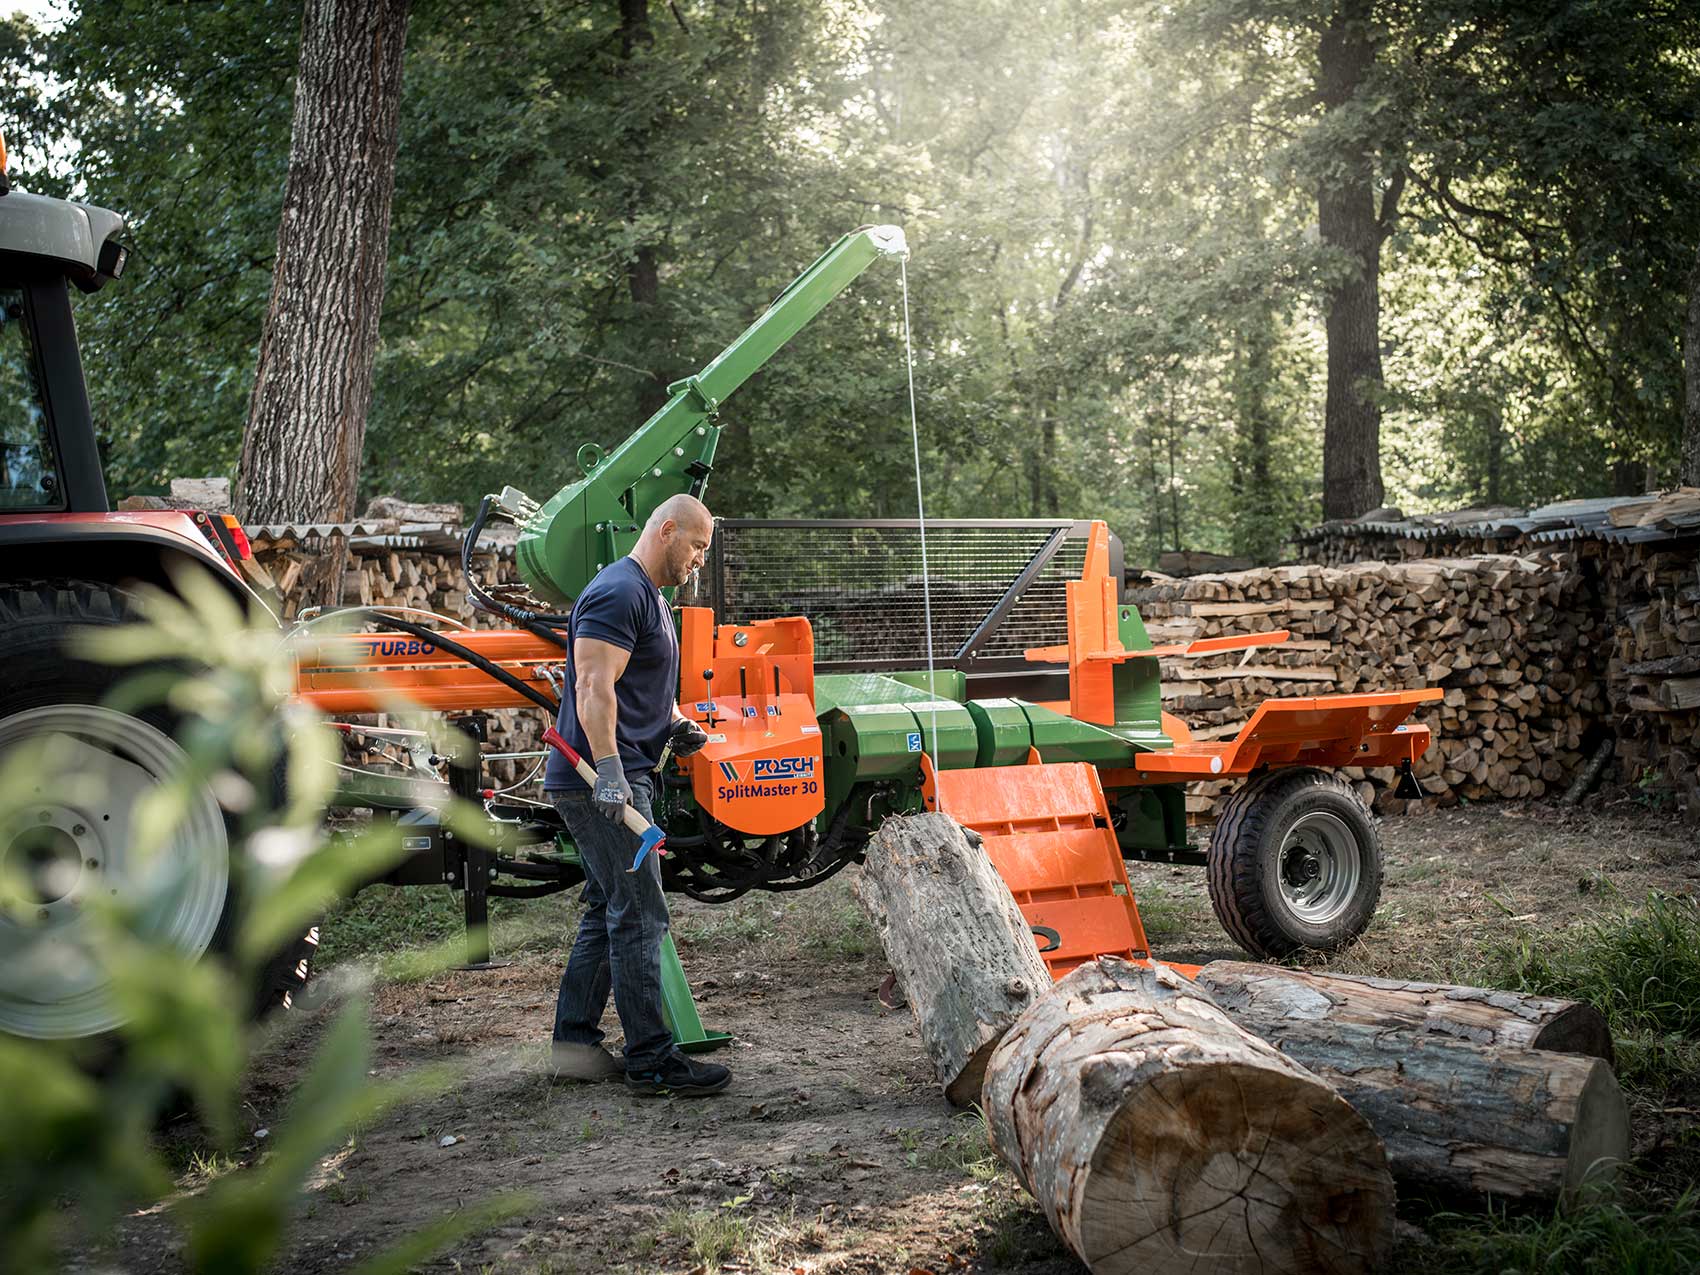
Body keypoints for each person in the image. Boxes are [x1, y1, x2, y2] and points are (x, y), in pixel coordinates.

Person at [542, 493, 728, 1096]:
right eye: (697, 545)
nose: (700, 559)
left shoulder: (650, 597)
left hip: (619, 772)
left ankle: (574, 1048)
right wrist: (612, 769)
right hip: (603, 783)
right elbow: (595, 686)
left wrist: (673, 722)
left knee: (610, 906)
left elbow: (638, 683)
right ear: (667, 530)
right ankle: (651, 1059)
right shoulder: (618, 591)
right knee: (641, 913)